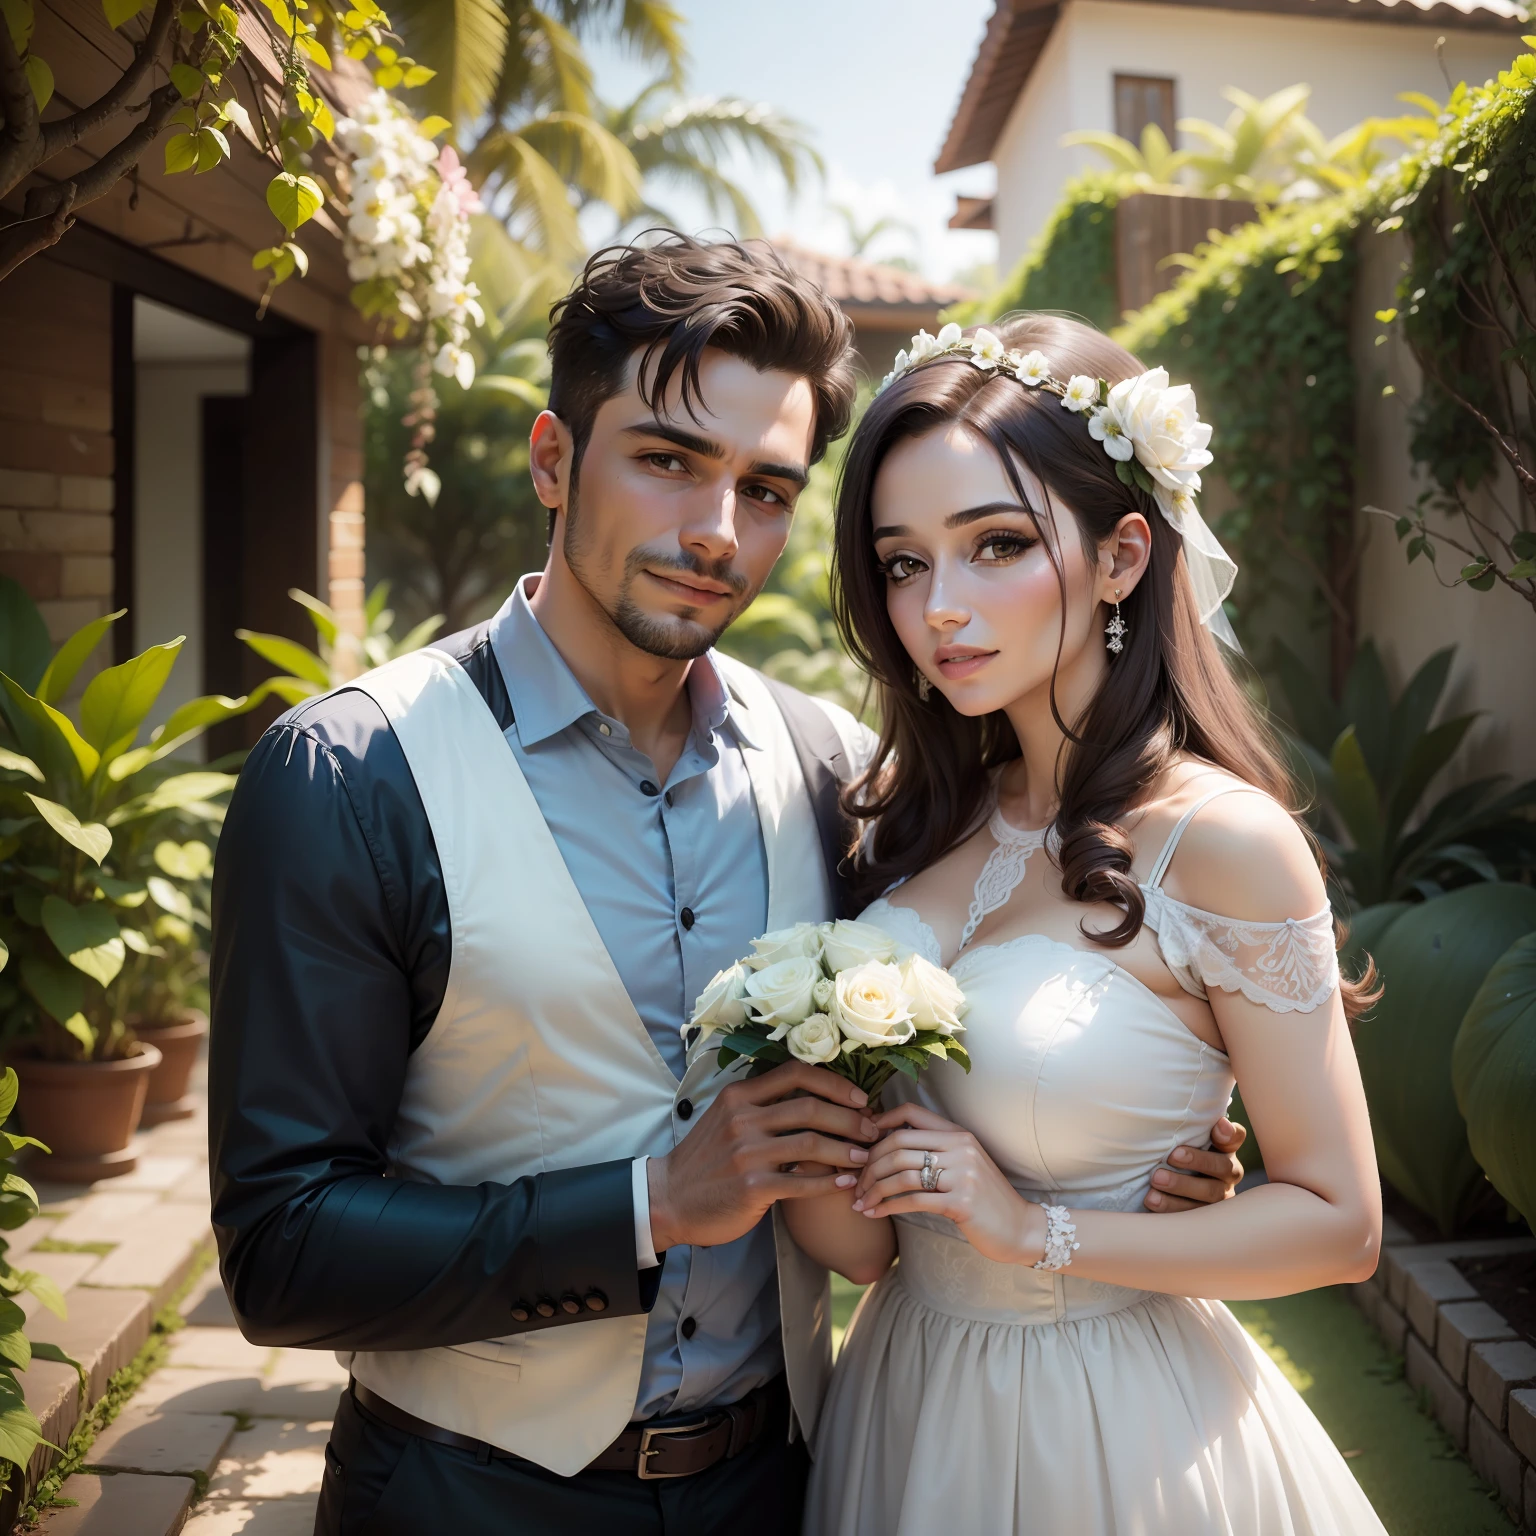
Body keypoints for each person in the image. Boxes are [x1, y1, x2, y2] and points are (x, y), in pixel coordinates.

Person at [208, 240, 1244, 1536]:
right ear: (552, 459)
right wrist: (650, 1206)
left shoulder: (835, 772)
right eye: (666, 460)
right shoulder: (353, 777)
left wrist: (1134, 1154)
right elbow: (283, 1251)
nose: (716, 531)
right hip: (464, 1499)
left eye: (765, 488)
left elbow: (965, 1037)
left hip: (789, 1484)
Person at [787, 314, 1387, 1536]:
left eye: (993, 545)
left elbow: (1341, 1223)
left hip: (1110, 1433)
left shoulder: (1221, 844)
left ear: (1122, 557)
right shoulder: (905, 821)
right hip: (906, 1403)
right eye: (903, 563)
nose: (937, 610)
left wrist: (1037, 1228)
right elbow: (857, 1249)